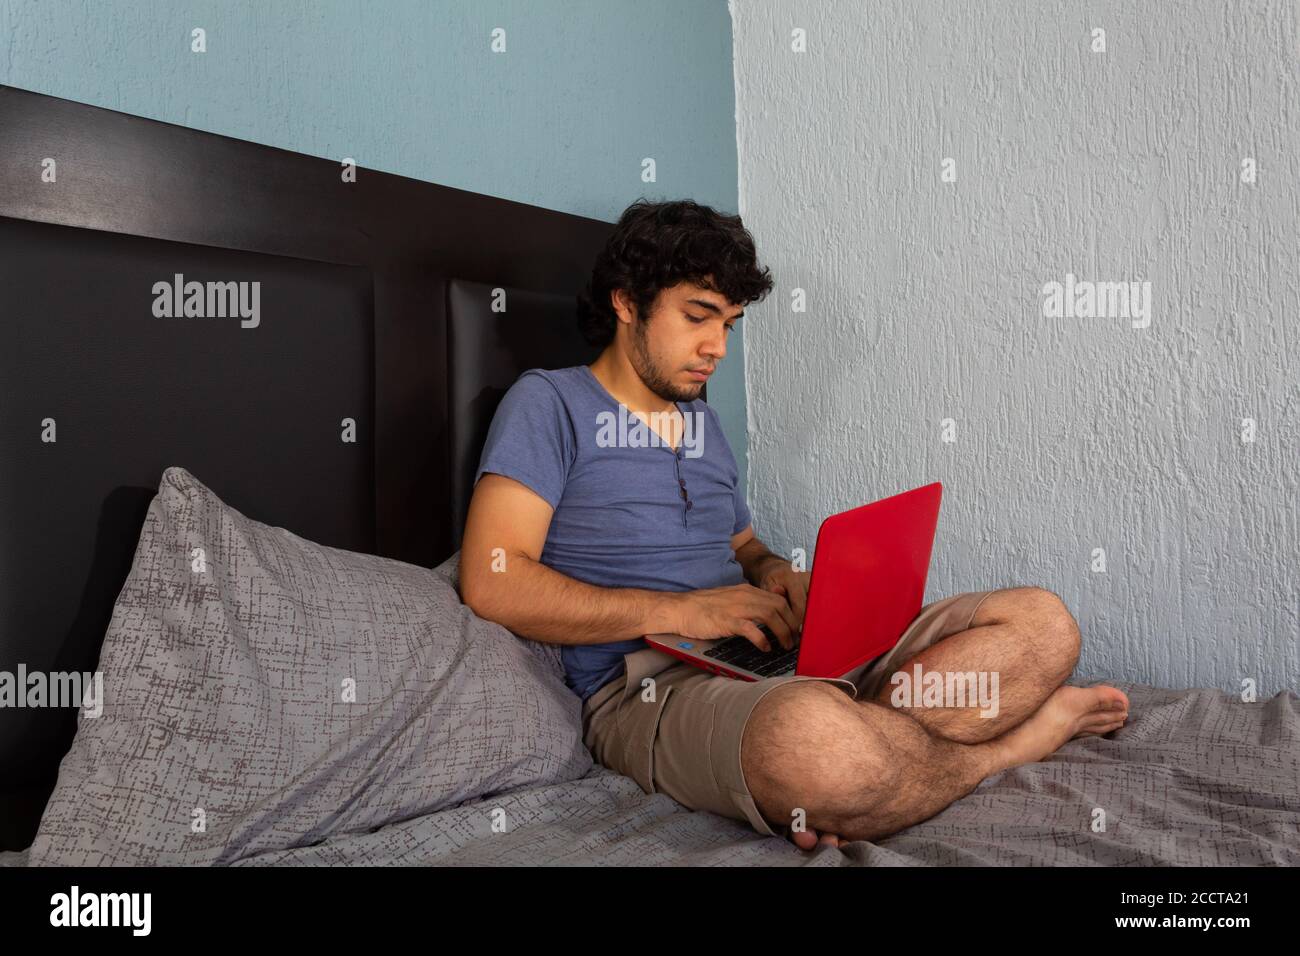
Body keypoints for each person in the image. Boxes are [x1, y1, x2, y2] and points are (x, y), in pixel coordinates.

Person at [460, 198, 1129, 849]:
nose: (717, 346)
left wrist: (774, 570)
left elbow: (741, 543)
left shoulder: (702, 423)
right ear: (627, 301)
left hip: (764, 648)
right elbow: (494, 584)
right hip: (649, 686)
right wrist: (688, 613)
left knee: (1042, 625)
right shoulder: (548, 404)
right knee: (818, 748)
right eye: (698, 317)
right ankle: (1004, 745)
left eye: (729, 323)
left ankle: (867, 754)